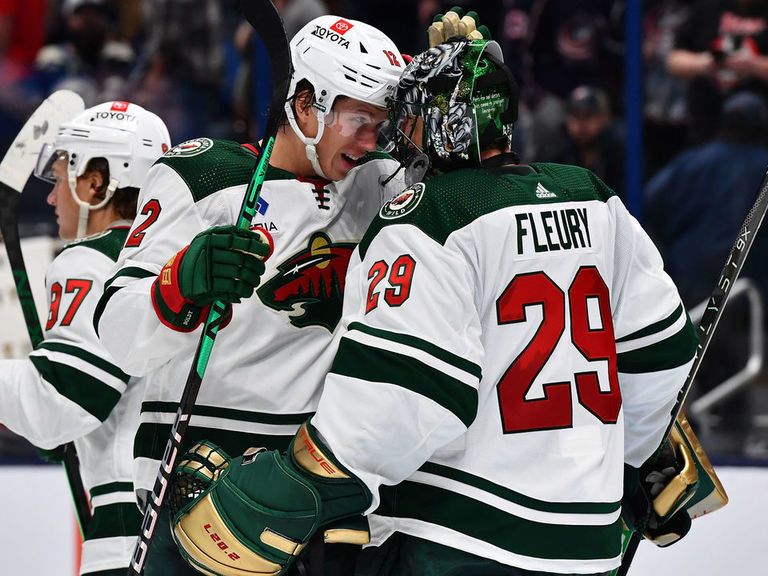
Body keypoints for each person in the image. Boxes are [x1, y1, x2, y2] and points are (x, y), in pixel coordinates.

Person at [167, 38, 700, 576]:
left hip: (466, 539)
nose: (399, 135)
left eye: (415, 117)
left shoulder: (432, 216)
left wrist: (298, 480)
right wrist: (634, 460)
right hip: (591, 544)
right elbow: (664, 355)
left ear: (448, 126)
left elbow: (404, 400)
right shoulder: (593, 197)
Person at [94, 14, 407, 575]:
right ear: (306, 104)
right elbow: (117, 332)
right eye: (358, 119)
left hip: (327, 483)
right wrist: (181, 281)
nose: (369, 140)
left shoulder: (382, 183)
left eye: (379, 125)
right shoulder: (204, 176)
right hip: (204, 477)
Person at [0, 100, 170, 576]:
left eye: (60, 179)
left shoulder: (92, 261)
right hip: (201, 532)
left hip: (128, 541)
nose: (53, 199)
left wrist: (47, 403)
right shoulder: (178, 256)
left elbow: (55, 405)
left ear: (97, 183)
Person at [645, 90, 768, 455]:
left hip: (685, 289)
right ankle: (730, 446)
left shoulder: (688, 164)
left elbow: (648, 212)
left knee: (686, 373)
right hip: (744, 294)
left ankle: (687, 442)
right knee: (731, 373)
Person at [667, 0, 768, 145]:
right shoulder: (709, 8)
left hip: (760, 131)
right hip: (708, 124)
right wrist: (707, 63)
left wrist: (752, 64)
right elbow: (674, 61)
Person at [549, 85, 626, 201]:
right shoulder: (559, 156)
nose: (581, 124)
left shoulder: (619, 154)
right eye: (575, 116)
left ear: (604, 117)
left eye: (587, 115)